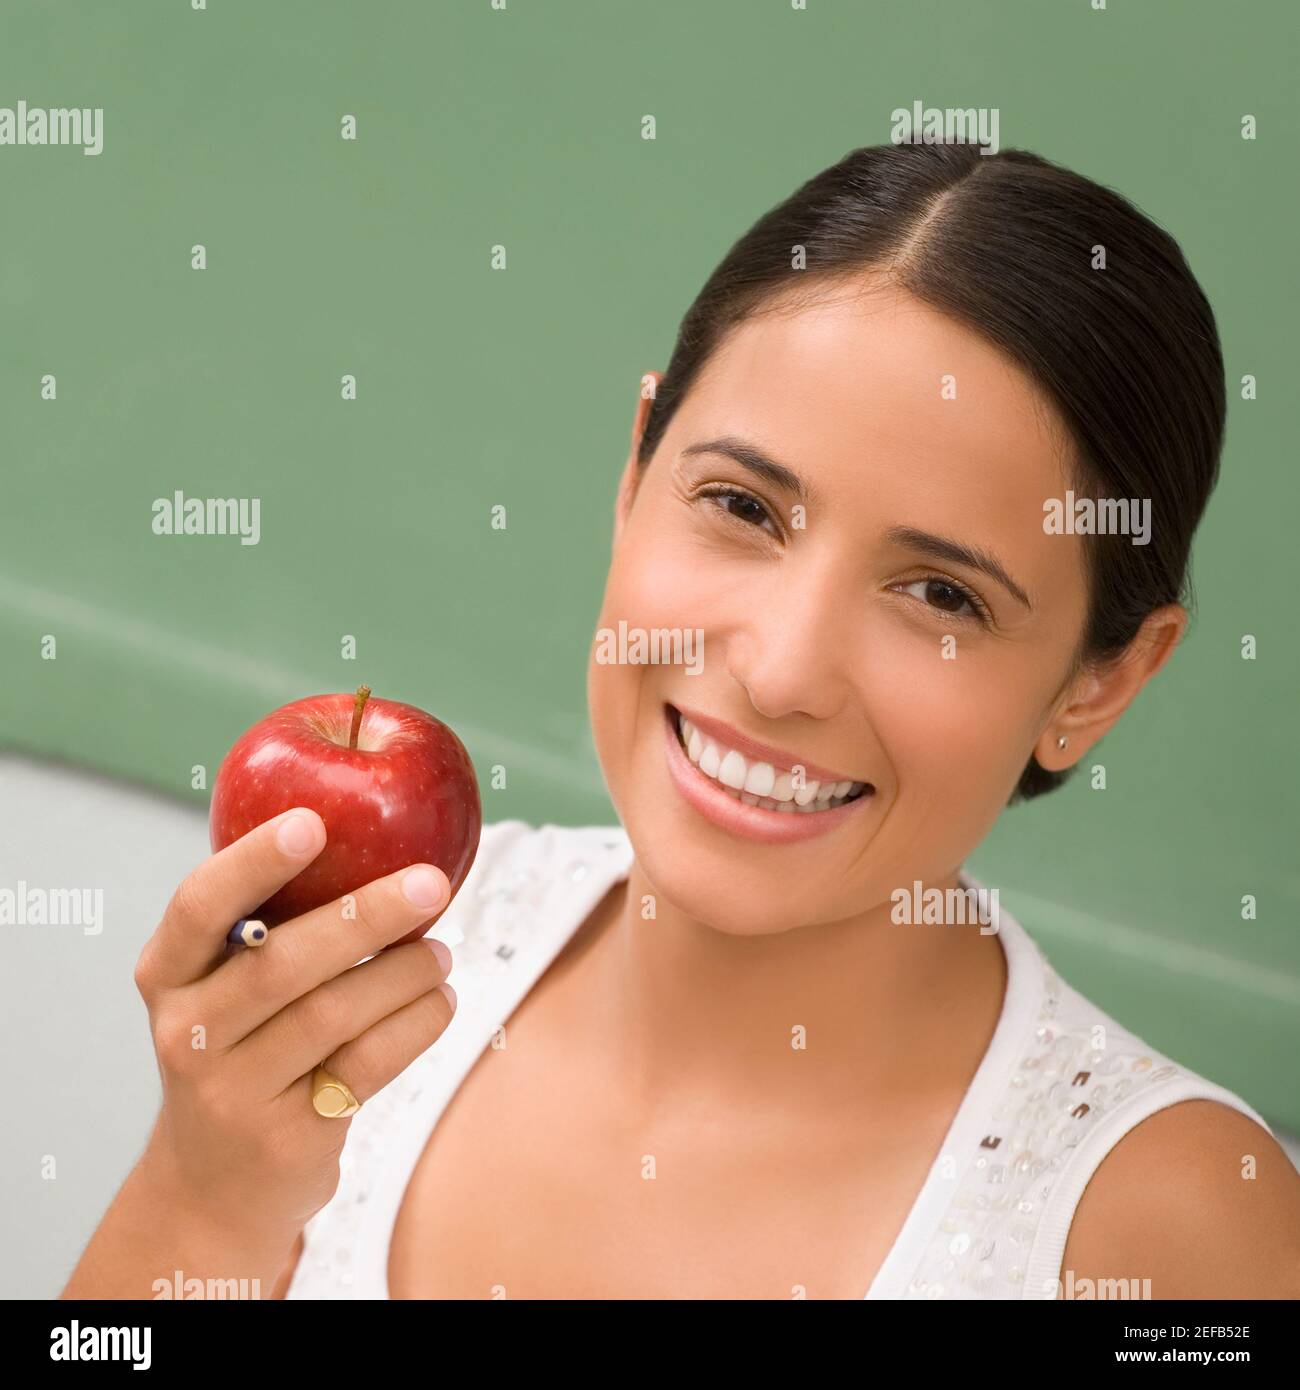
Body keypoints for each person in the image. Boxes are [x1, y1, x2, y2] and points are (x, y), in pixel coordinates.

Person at [64, 142, 1300, 1300]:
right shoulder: (372, 973)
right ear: (634, 469)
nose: (779, 672)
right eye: (743, 506)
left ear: (1100, 683)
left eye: (941, 594)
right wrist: (204, 1192)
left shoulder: (1173, 1225)